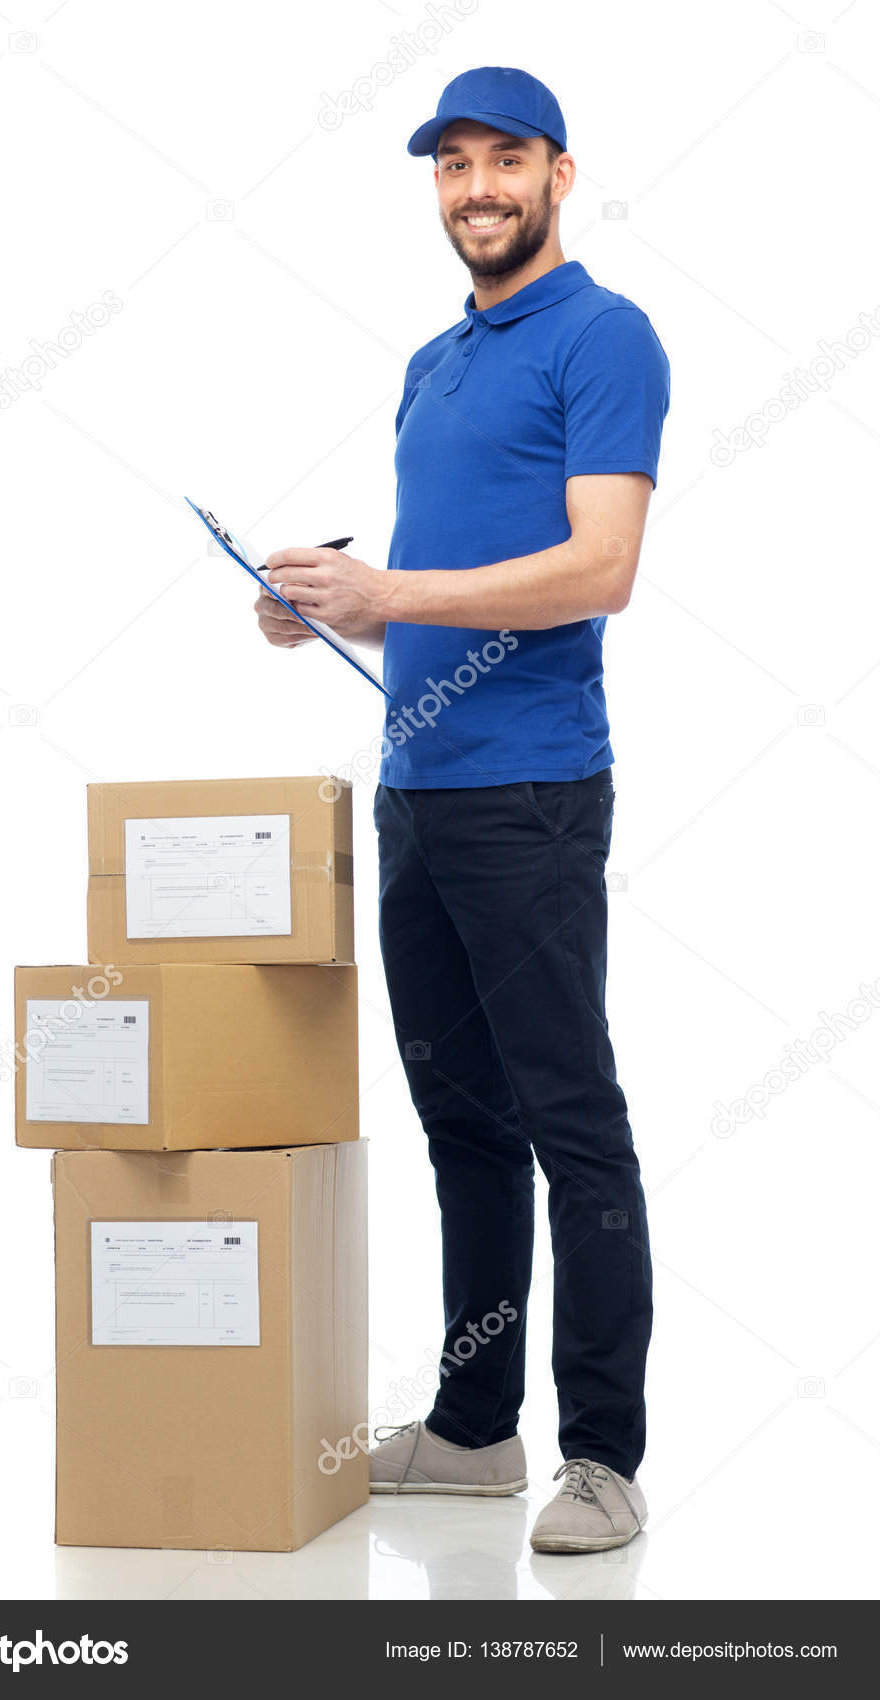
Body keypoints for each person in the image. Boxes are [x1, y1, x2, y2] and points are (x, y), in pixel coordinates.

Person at [254, 66, 669, 1555]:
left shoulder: (605, 337)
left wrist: (389, 592)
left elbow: (596, 566)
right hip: (418, 786)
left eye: (505, 161)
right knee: (462, 1123)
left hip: (535, 792)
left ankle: (602, 1456)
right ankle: (474, 1429)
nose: (475, 187)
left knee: (572, 1121)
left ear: (560, 174)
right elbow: (436, 580)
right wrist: (317, 612)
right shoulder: (433, 360)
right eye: (452, 167)